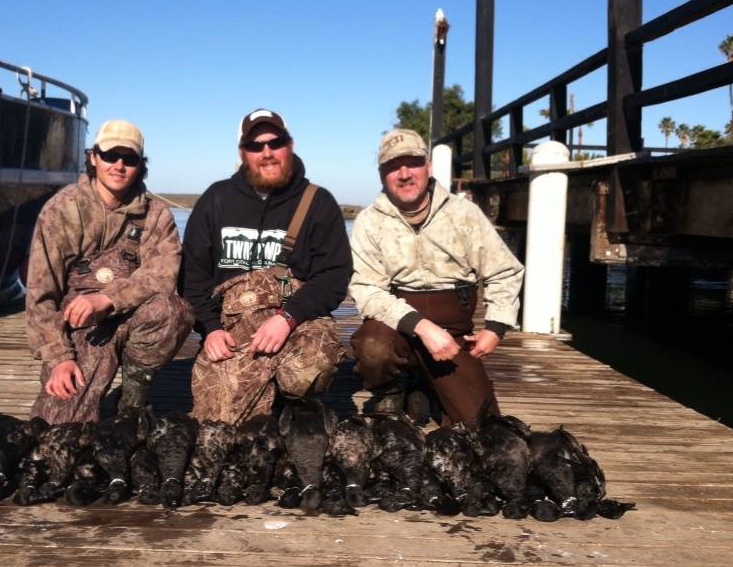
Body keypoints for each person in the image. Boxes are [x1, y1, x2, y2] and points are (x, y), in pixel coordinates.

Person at [181, 109, 351, 424]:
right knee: (216, 425)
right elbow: (192, 278)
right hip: (232, 327)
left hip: (297, 318)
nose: (267, 152)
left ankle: (296, 407)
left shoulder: (318, 201)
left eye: (276, 142)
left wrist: (288, 318)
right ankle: (262, 398)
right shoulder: (215, 199)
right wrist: (210, 329)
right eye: (256, 145)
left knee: (307, 370)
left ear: (291, 144)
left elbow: (334, 276)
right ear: (243, 152)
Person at [348, 128, 524, 426]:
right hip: (397, 328)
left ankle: (425, 385)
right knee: (372, 346)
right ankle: (391, 389)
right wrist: (421, 327)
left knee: (479, 426)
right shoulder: (368, 221)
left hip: (454, 334)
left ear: (428, 166)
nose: (404, 173)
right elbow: (366, 289)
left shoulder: (464, 213)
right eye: (393, 166)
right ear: (382, 174)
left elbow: (505, 271)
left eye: (413, 163)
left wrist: (495, 326)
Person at [26, 119, 193, 424]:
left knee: (173, 310)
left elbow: (163, 275)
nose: (118, 165)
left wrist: (106, 299)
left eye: (129, 159)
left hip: (131, 316)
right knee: (58, 429)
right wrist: (59, 358)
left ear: (140, 165)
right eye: (109, 155)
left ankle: (132, 401)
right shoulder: (61, 210)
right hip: (81, 328)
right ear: (93, 157)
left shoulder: (156, 215)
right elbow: (40, 295)